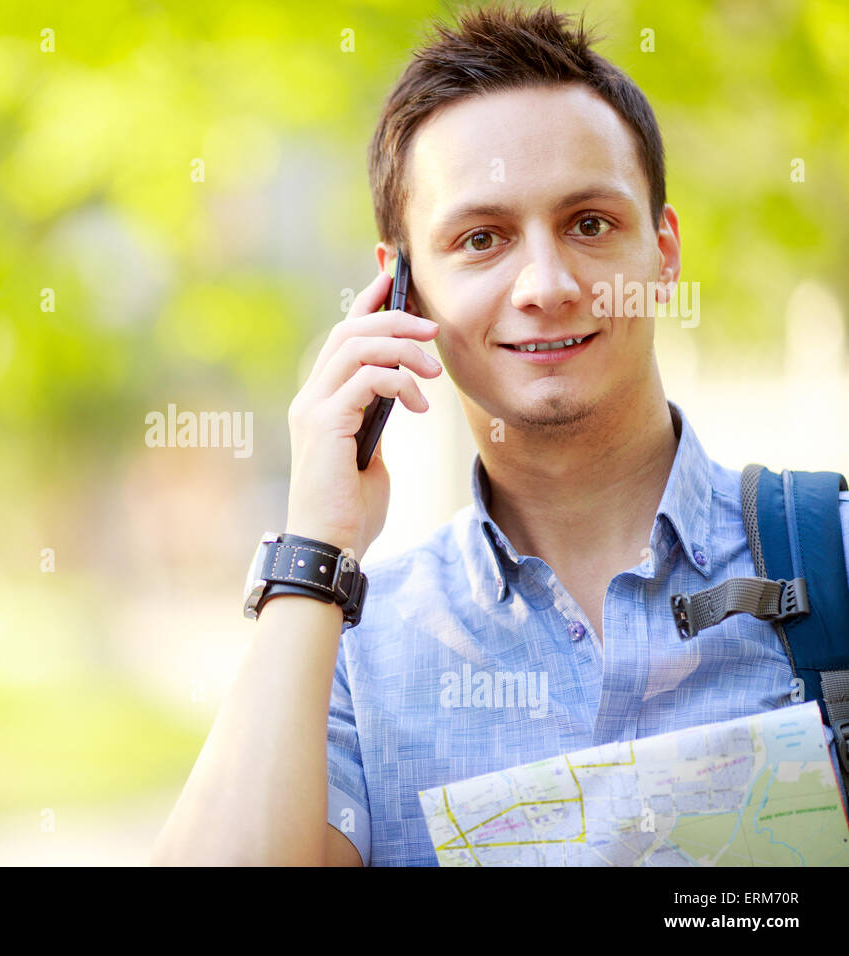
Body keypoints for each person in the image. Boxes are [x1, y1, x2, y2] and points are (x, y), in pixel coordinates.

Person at [149, 3, 849, 865]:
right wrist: (315, 547)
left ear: (663, 252)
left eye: (590, 224)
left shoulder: (837, 557)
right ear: (401, 289)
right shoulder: (347, 650)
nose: (546, 284)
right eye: (482, 239)